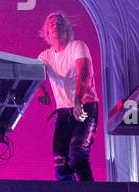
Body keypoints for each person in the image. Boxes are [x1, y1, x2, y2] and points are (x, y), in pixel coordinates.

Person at [35, 12, 98, 181]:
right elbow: (33, 73)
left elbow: (85, 71)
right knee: (60, 162)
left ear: (67, 28)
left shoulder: (77, 46)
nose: (55, 26)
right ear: (47, 32)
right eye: (51, 24)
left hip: (85, 106)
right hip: (63, 113)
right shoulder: (45, 56)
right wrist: (41, 90)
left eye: (59, 23)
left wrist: (78, 99)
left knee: (77, 153)